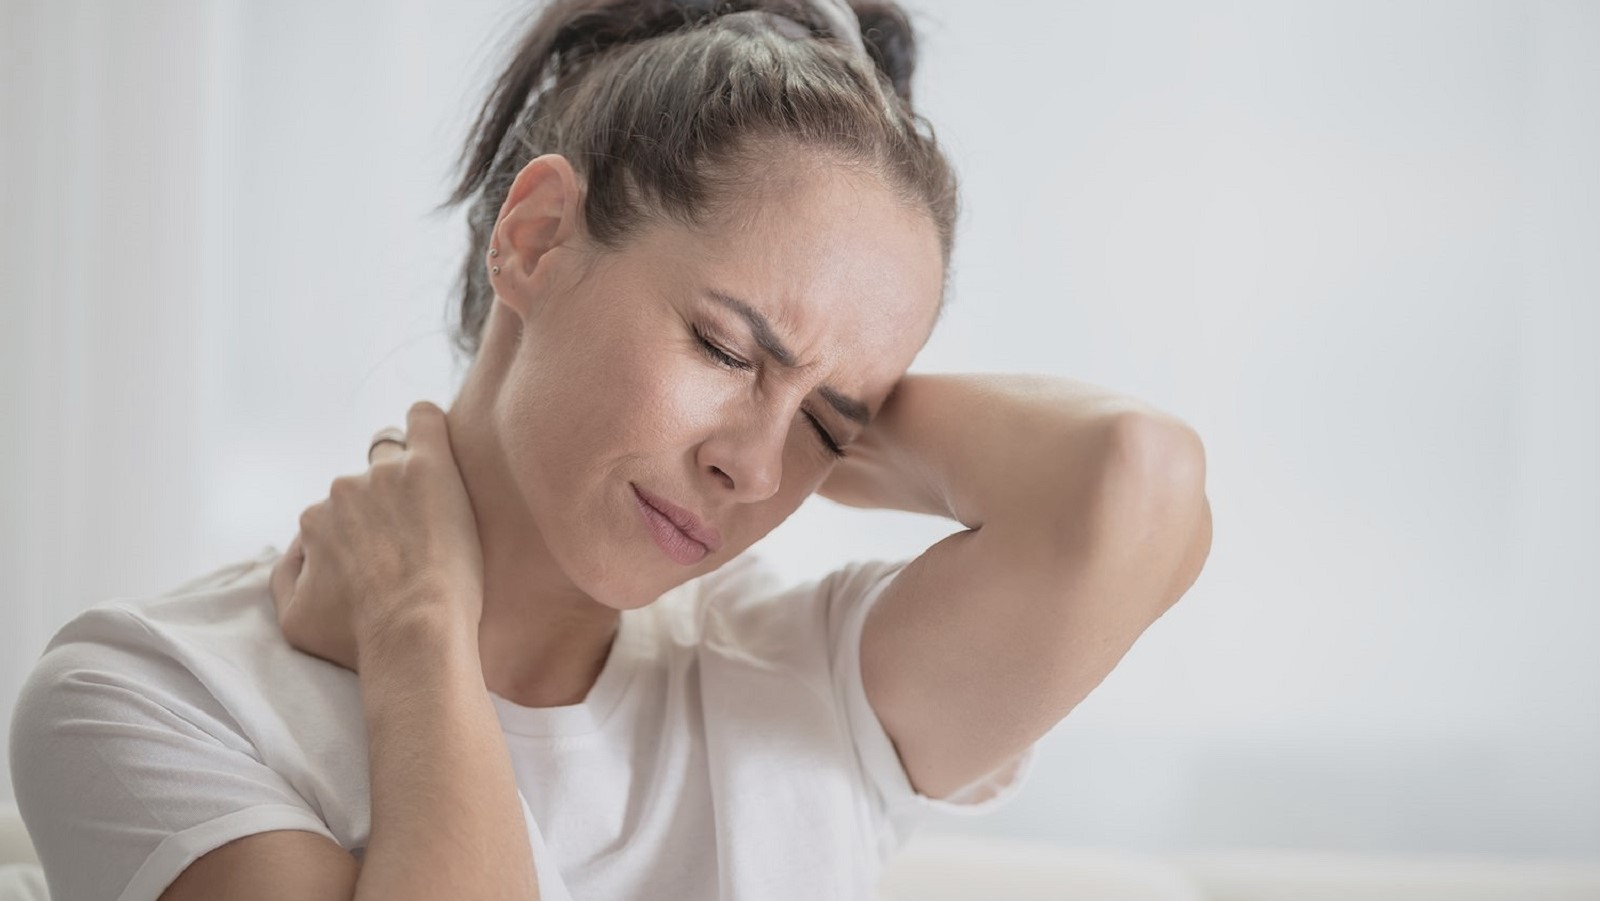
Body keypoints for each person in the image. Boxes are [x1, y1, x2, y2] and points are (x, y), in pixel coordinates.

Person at [7, 1, 1213, 899]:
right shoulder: (155, 697)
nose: (753, 466)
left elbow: (1136, 483)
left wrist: (811, 409)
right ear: (533, 239)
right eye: (722, 345)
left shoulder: (812, 684)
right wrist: (419, 634)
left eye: (826, 426)